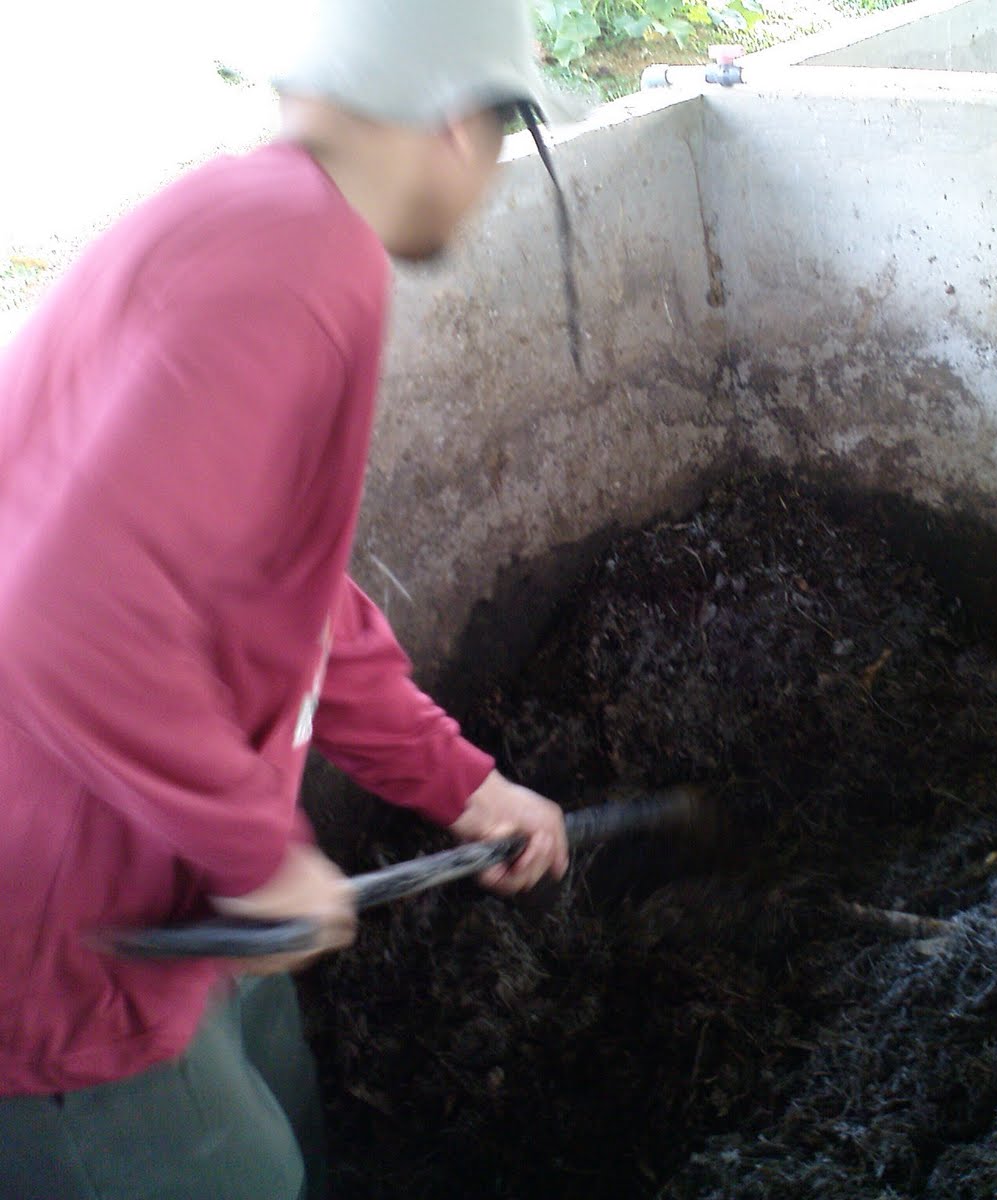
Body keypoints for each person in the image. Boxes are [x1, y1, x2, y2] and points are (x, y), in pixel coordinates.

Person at [0, 2, 572, 1195]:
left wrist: (461, 785)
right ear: (461, 128)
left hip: (180, 896)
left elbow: (283, 598)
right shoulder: (296, 261)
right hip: (64, 930)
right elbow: (64, 613)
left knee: (291, 1124)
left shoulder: (257, 220)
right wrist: (256, 850)